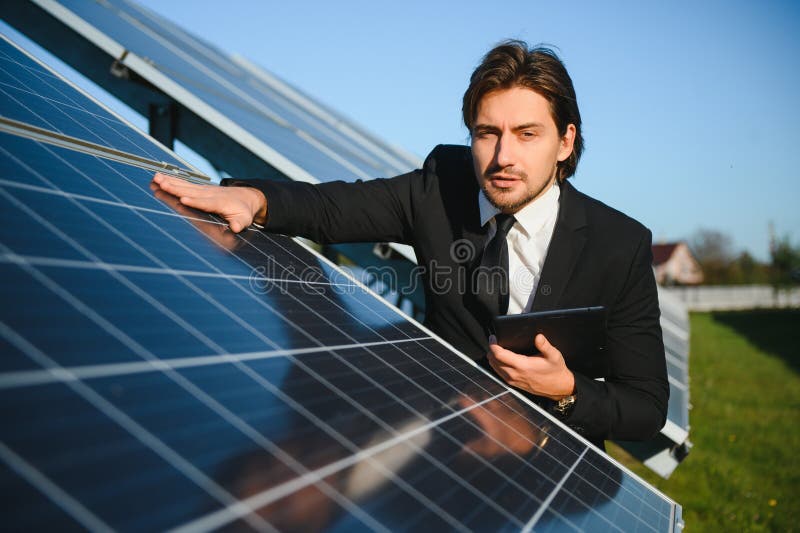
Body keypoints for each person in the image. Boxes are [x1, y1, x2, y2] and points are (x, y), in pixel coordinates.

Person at [151, 40, 668, 449]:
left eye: (527, 134)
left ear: (566, 141)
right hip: (439, 447)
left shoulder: (617, 245)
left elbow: (645, 407)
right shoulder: (441, 185)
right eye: (487, 133)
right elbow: (335, 208)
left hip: (553, 467)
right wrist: (254, 199)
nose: (503, 156)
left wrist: (567, 392)